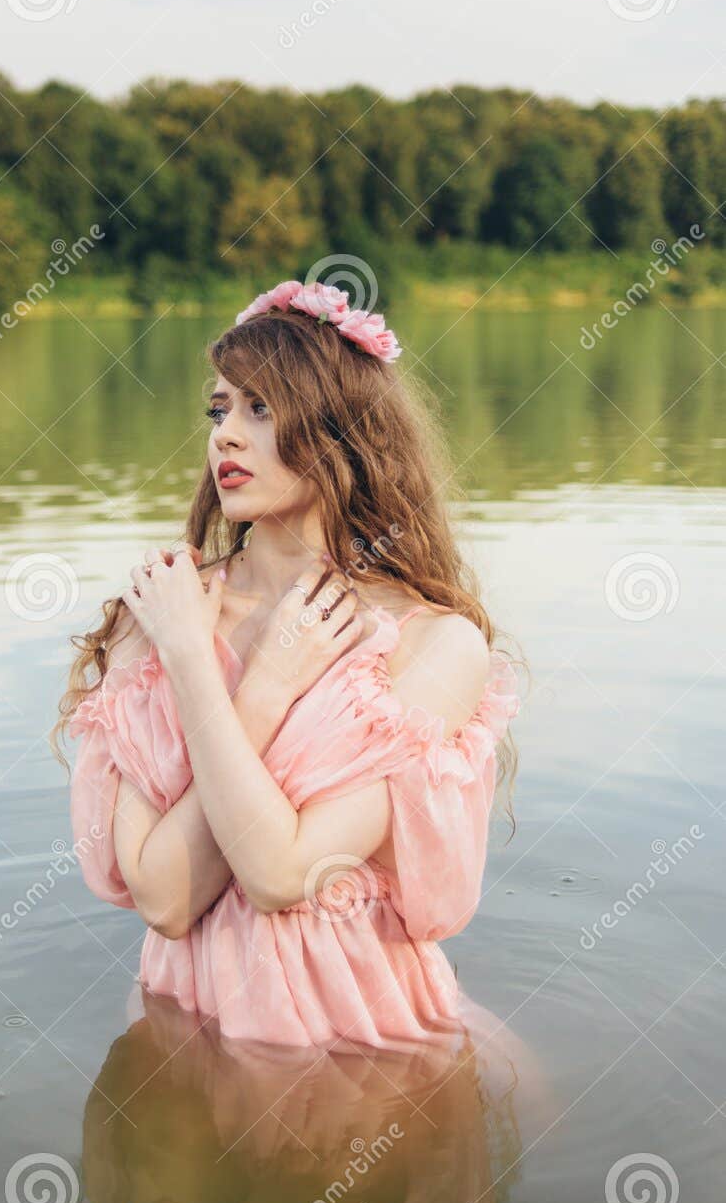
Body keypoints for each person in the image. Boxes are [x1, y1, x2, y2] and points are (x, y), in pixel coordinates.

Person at [55, 279, 523, 1050]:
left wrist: (236, 676)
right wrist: (239, 675)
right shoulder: (170, 618)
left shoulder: (431, 644)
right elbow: (168, 900)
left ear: (342, 431)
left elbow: (281, 876)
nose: (224, 437)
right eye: (220, 409)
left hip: (361, 1032)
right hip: (189, 1012)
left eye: (261, 410)